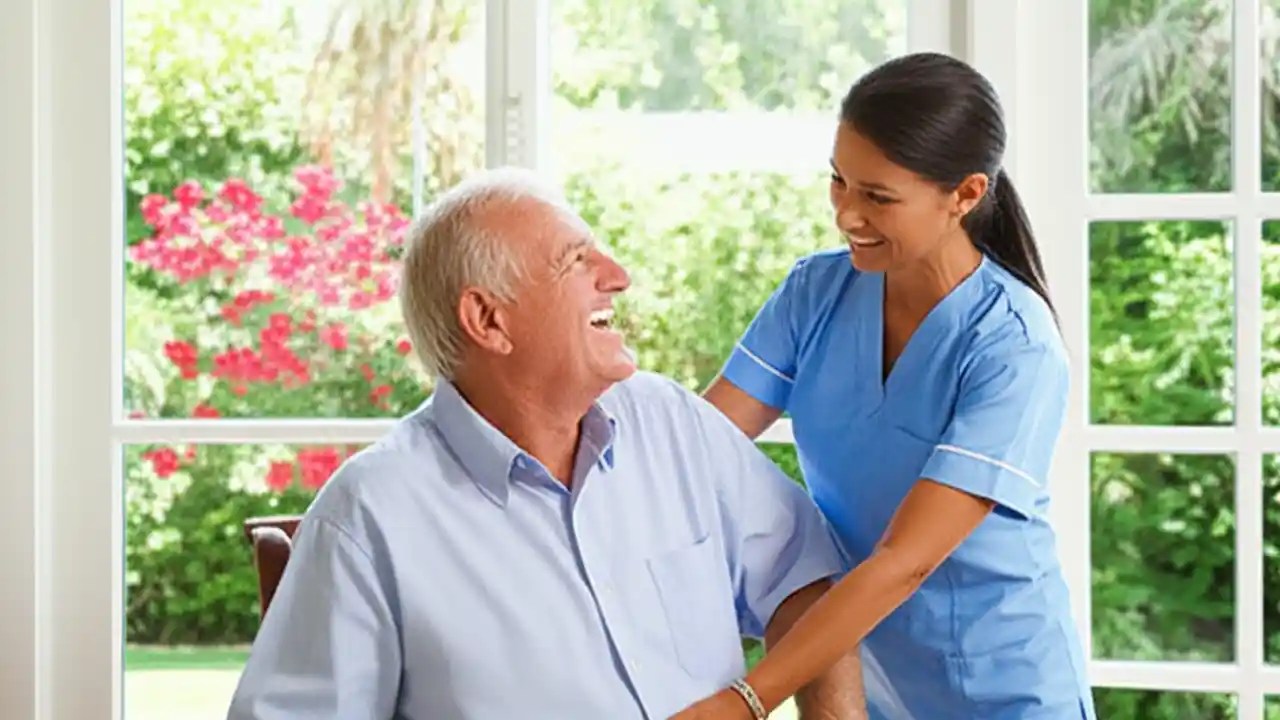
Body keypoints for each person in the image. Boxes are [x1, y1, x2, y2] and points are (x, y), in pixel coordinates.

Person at [225, 168, 865, 719]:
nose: (618, 276)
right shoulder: (370, 513)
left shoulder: (670, 422)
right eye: (576, 261)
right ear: (489, 321)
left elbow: (808, 582)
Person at [672, 52, 1095, 720]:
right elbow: (695, 452)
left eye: (878, 196)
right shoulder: (815, 294)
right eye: (839, 182)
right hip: (875, 684)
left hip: (1005, 693)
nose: (846, 214)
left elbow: (906, 560)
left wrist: (750, 700)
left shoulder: (1013, 345)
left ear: (965, 195)